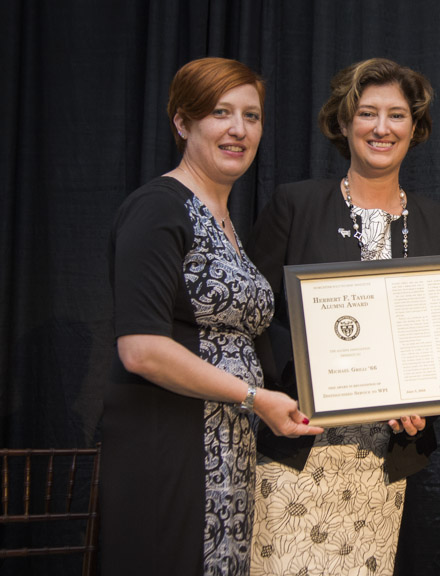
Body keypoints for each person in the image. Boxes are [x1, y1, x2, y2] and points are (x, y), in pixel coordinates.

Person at [249, 57, 440, 575]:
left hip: (385, 462)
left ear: (415, 127)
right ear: (344, 123)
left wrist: (428, 405)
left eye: (397, 115)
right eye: (367, 113)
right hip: (298, 449)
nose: (381, 128)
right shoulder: (295, 205)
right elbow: (256, 321)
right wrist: (292, 388)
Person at [103, 57, 322, 576]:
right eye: (220, 113)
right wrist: (253, 397)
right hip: (171, 445)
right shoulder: (159, 207)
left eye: (251, 115)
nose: (238, 129)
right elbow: (141, 349)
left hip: (229, 448)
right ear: (182, 123)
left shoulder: (224, 220)